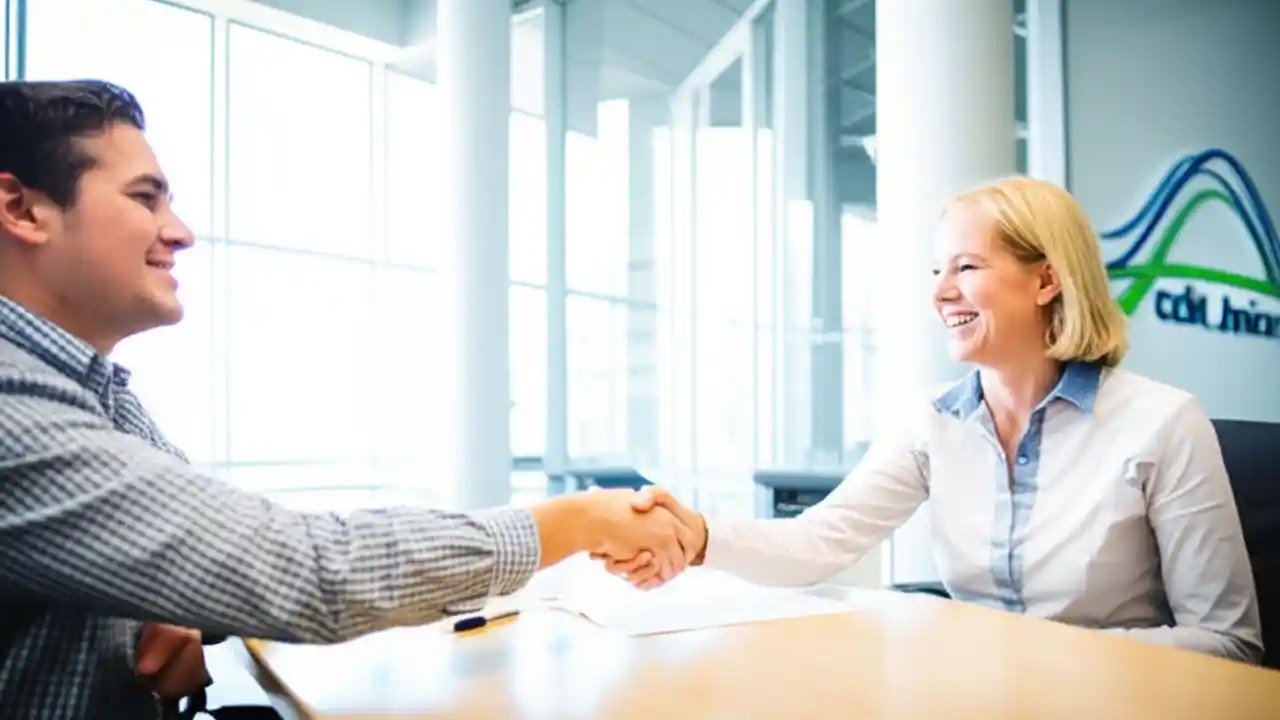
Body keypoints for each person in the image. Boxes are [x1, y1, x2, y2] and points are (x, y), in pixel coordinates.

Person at [0, 79, 696, 718]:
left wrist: (161, 614)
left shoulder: (89, 390)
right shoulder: (13, 404)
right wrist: (571, 522)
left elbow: (216, 550)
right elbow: (300, 569)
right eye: (144, 198)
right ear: (22, 209)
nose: (179, 231)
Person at [607, 176, 1265, 663]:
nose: (940, 291)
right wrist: (694, 534)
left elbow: (1229, 642)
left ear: (1046, 281)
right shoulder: (930, 422)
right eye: (936, 270)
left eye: (967, 267)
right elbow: (820, 543)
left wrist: (1044, 658)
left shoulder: (1163, 422)